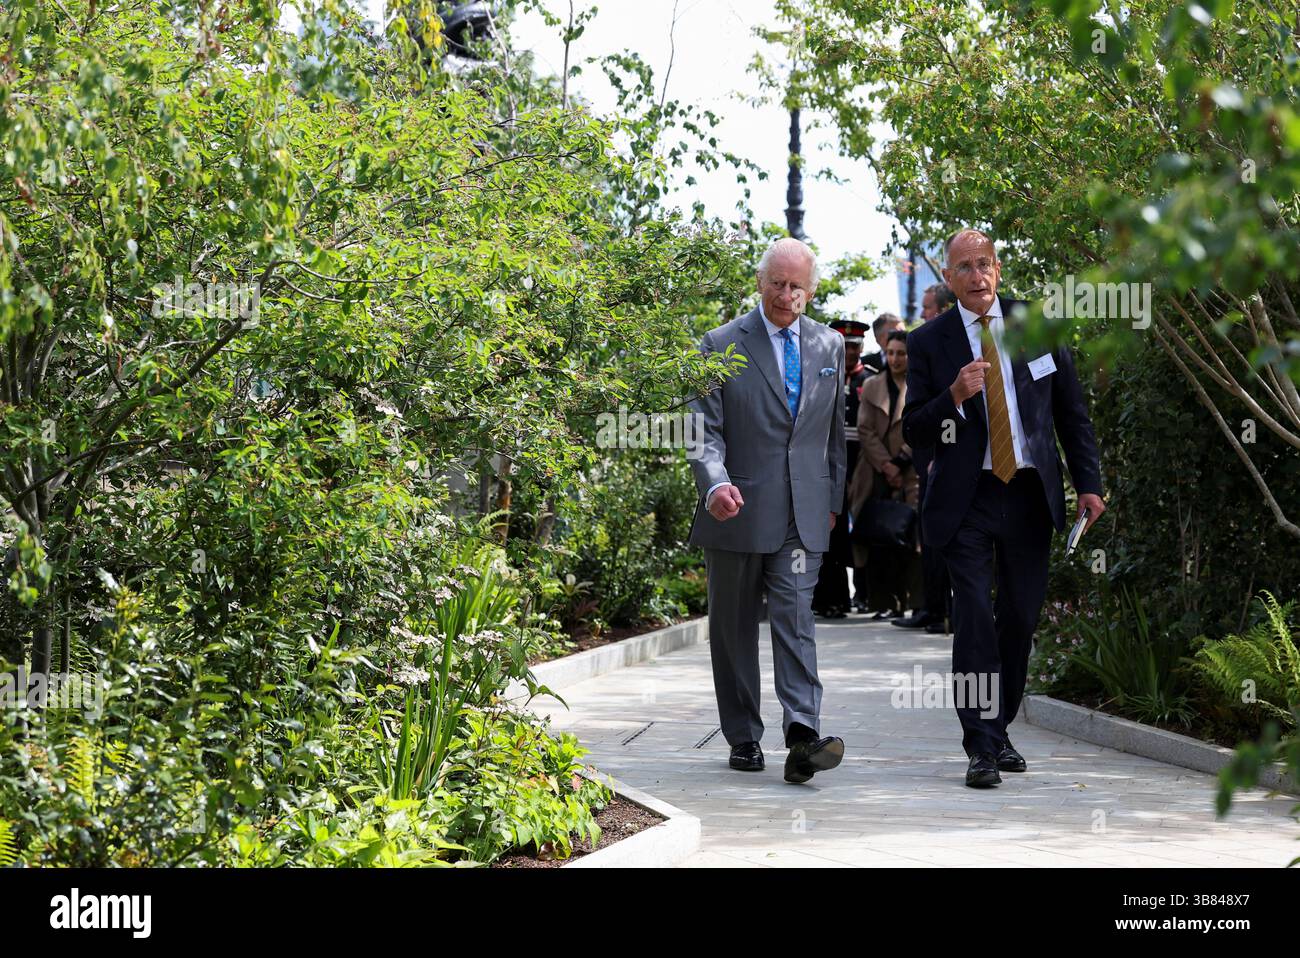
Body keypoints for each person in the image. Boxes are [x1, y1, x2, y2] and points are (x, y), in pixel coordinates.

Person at [902, 228, 1105, 788]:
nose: (976, 275)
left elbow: (1072, 415)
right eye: (963, 267)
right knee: (973, 619)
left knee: (1019, 617)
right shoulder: (928, 343)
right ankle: (981, 747)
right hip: (967, 498)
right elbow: (916, 431)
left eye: (984, 263)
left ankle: (1000, 726)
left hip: (1028, 493)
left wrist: (1089, 482)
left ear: (998, 268)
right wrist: (954, 397)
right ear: (949, 279)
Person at [688, 237, 847, 784]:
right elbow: (702, 431)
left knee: (796, 620)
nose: (786, 294)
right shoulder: (720, 343)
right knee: (732, 631)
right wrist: (714, 485)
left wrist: (832, 500)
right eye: (777, 283)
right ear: (759, 283)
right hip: (736, 510)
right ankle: (743, 736)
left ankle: (802, 733)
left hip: (802, 516)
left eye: (796, 286)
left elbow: (833, 436)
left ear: (810, 289)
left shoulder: (830, 346)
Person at [895, 281, 959, 632]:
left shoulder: (953, 351)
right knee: (929, 539)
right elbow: (919, 413)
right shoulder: (924, 345)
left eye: (928, 307)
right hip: (928, 463)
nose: (921, 314)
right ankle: (934, 609)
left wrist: (940, 455)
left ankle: (946, 611)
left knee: (946, 543)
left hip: (947, 463)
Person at [847, 330, 922, 620]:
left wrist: (902, 460)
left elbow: (925, 424)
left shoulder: (920, 383)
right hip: (875, 472)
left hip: (912, 470)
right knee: (879, 536)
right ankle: (885, 601)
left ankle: (916, 602)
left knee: (914, 538)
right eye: (890, 353)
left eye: (901, 353)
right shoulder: (873, 384)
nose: (894, 359)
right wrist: (887, 466)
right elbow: (864, 430)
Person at [812, 318, 872, 619]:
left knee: (864, 529)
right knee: (831, 535)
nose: (849, 353)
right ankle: (831, 597)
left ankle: (866, 594)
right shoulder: (821, 376)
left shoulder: (870, 379)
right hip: (830, 461)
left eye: (854, 347)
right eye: (845, 346)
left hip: (864, 462)